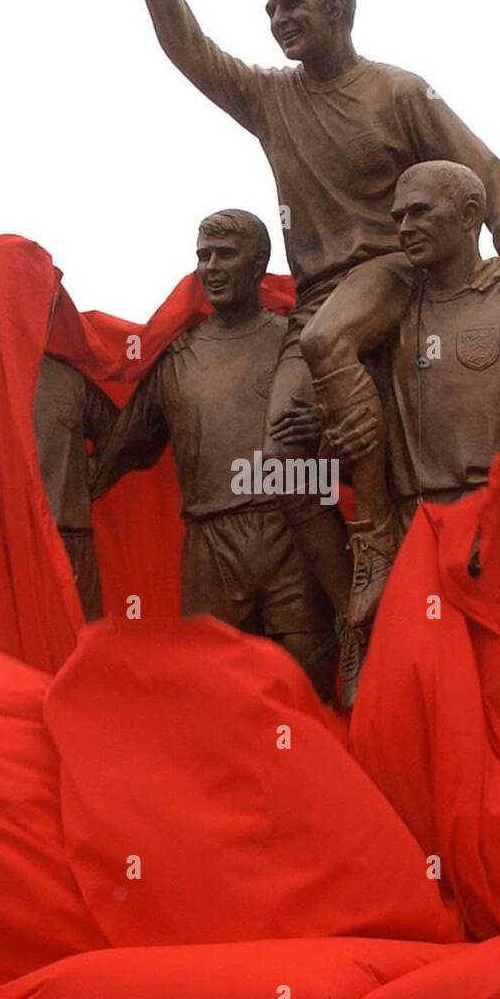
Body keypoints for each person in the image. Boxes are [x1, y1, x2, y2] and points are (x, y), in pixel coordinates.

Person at [98, 0, 500, 650]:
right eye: (270, 9)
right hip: (317, 296)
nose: (276, 19)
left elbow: (482, 167)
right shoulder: (272, 98)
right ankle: (352, 616)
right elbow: (189, 47)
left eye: (291, 5)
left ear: (336, 10)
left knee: (326, 339)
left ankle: (372, 537)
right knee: (282, 456)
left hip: (391, 272)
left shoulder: (396, 91)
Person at [93, 209, 335, 700]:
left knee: (307, 689)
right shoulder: (177, 359)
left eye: (225, 254)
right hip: (210, 542)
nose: (211, 267)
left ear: (259, 262)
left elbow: (358, 430)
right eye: (203, 256)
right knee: (210, 689)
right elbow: (123, 450)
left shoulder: (298, 343)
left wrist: (324, 430)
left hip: (291, 532)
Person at [380, 159, 500, 539]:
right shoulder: (388, 314)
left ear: (468, 215)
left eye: (420, 211)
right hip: (415, 529)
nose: (405, 228)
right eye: (399, 217)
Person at [33, 347, 118, 621]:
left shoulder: (65, 378)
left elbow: (118, 433)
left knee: (83, 651)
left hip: (71, 540)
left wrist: (83, 479)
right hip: (10, 547)